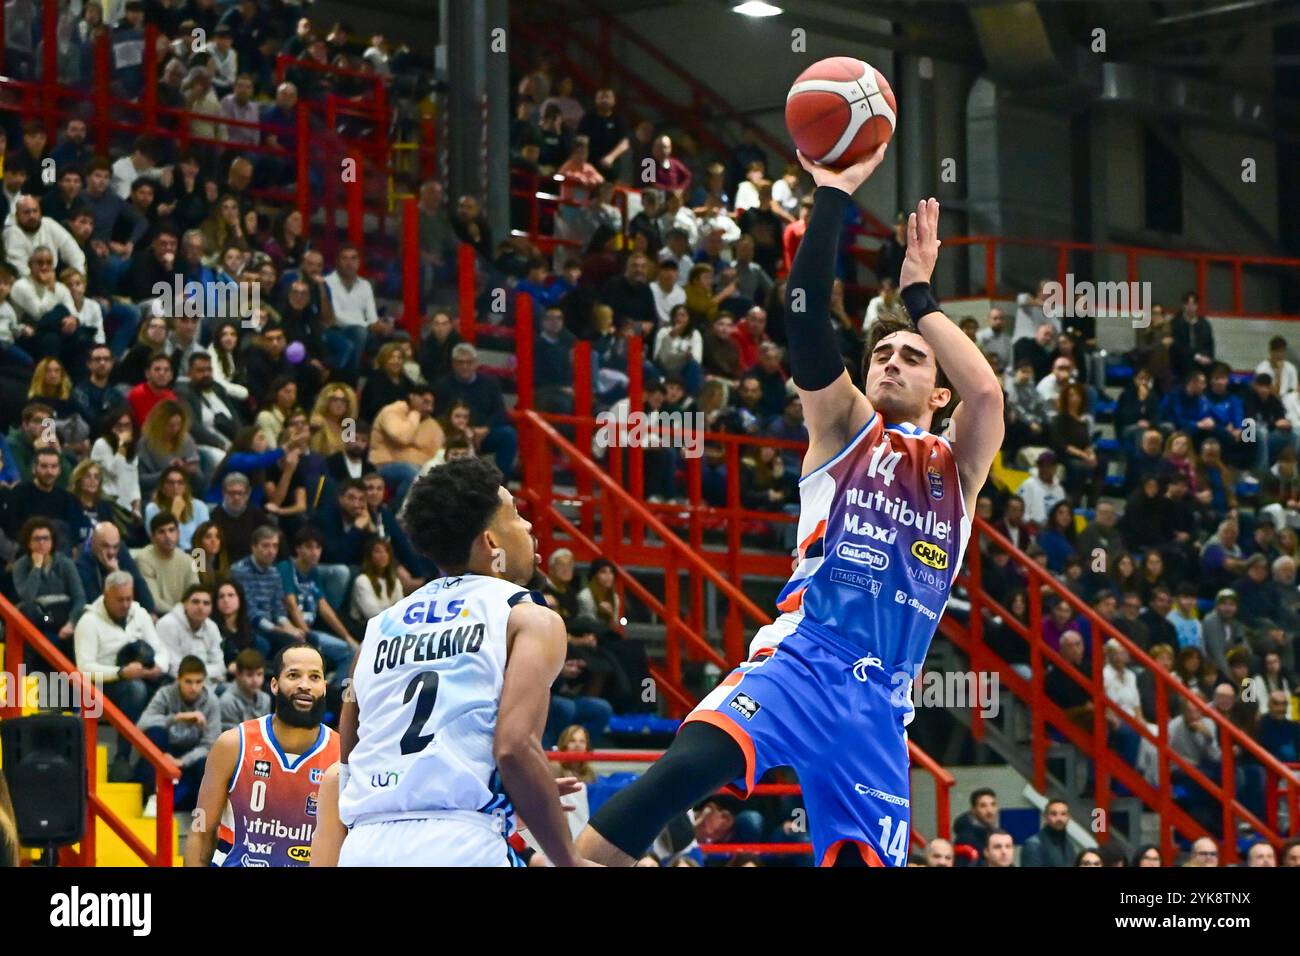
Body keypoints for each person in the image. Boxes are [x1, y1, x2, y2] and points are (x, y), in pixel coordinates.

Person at [576, 148, 1003, 868]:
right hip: (802, 659)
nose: (892, 362)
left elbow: (987, 394)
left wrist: (921, 297)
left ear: (939, 394)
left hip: (878, 707)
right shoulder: (844, 427)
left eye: (913, 357)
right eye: (882, 355)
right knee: (676, 777)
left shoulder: (957, 469)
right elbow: (803, 317)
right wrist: (832, 193)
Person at [336, 457, 590, 867]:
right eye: (516, 514)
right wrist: (570, 859)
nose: (527, 526)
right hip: (461, 845)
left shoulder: (377, 629)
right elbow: (513, 749)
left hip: (364, 843)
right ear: (491, 542)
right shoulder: (527, 617)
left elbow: (345, 765)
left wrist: (516, 801)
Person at [185, 645, 340, 867]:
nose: (304, 685)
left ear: (324, 687)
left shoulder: (342, 756)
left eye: (314, 677)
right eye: (293, 675)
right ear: (275, 685)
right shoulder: (233, 744)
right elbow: (201, 832)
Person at [74, 571, 167, 770]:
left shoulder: (139, 613)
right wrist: (120, 672)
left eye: (129, 598)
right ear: (106, 595)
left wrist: (158, 666)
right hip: (102, 686)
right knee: (135, 689)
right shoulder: (88, 622)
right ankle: (122, 756)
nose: (125, 604)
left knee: (171, 687)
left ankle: (155, 761)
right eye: (119, 600)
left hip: (142, 674)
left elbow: (160, 649)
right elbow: (84, 668)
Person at [155, 584, 225, 687]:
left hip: (207, 683)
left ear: (211, 609)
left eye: (206, 603)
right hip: (174, 684)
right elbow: (174, 668)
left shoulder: (211, 626)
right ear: (185, 604)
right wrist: (206, 672)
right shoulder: (167, 624)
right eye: (195, 602)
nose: (201, 607)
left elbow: (220, 666)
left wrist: (200, 675)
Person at [131, 512, 200, 613]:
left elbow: (196, 595)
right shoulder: (143, 559)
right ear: (152, 537)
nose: (168, 536)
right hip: (157, 615)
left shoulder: (188, 560)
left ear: (178, 533)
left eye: (171, 530)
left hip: (186, 615)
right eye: (161, 532)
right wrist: (179, 615)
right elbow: (154, 602)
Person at [219, 649, 271, 732]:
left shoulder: (266, 699)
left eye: (259, 674)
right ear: (238, 674)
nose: (255, 680)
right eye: (249, 675)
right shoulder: (227, 701)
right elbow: (231, 738)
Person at [1020, 799, 1077, 867]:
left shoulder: (1069, 845)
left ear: (1068, 817)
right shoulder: (1033, 844)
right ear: (1046, 817)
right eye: (1054, 814)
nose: (1059, 818)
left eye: (1063, 814)